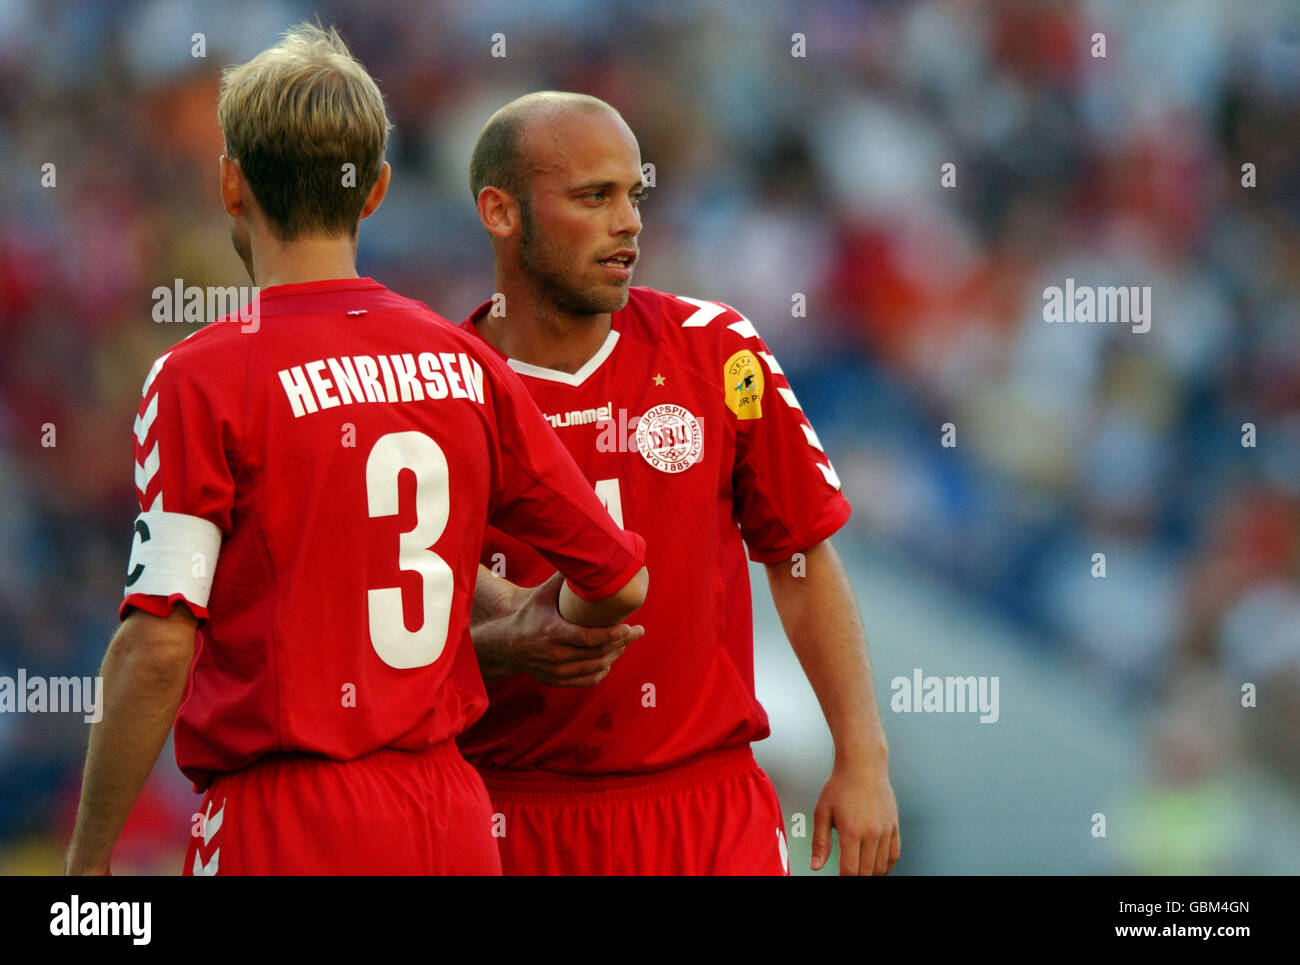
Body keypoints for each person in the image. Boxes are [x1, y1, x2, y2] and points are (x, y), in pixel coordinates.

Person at [64, 31, 646, 877]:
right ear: (373, 190)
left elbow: (158, 647)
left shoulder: (201, 377)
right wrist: (515, 630)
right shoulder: (462, 361)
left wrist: (84, 867)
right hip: (451, 816)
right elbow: (619, 578)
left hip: (284, 818)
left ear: (232, 181)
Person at [460, 91, 899, 875]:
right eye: (594, 197)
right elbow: (404, 625)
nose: (628, 221)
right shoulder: (441, 390)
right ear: (500, 211)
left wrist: (862, 755)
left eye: (635, 195)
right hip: (508, 813)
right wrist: (500, 649)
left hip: (705, 807)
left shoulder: (717, 350)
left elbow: (801, 562)